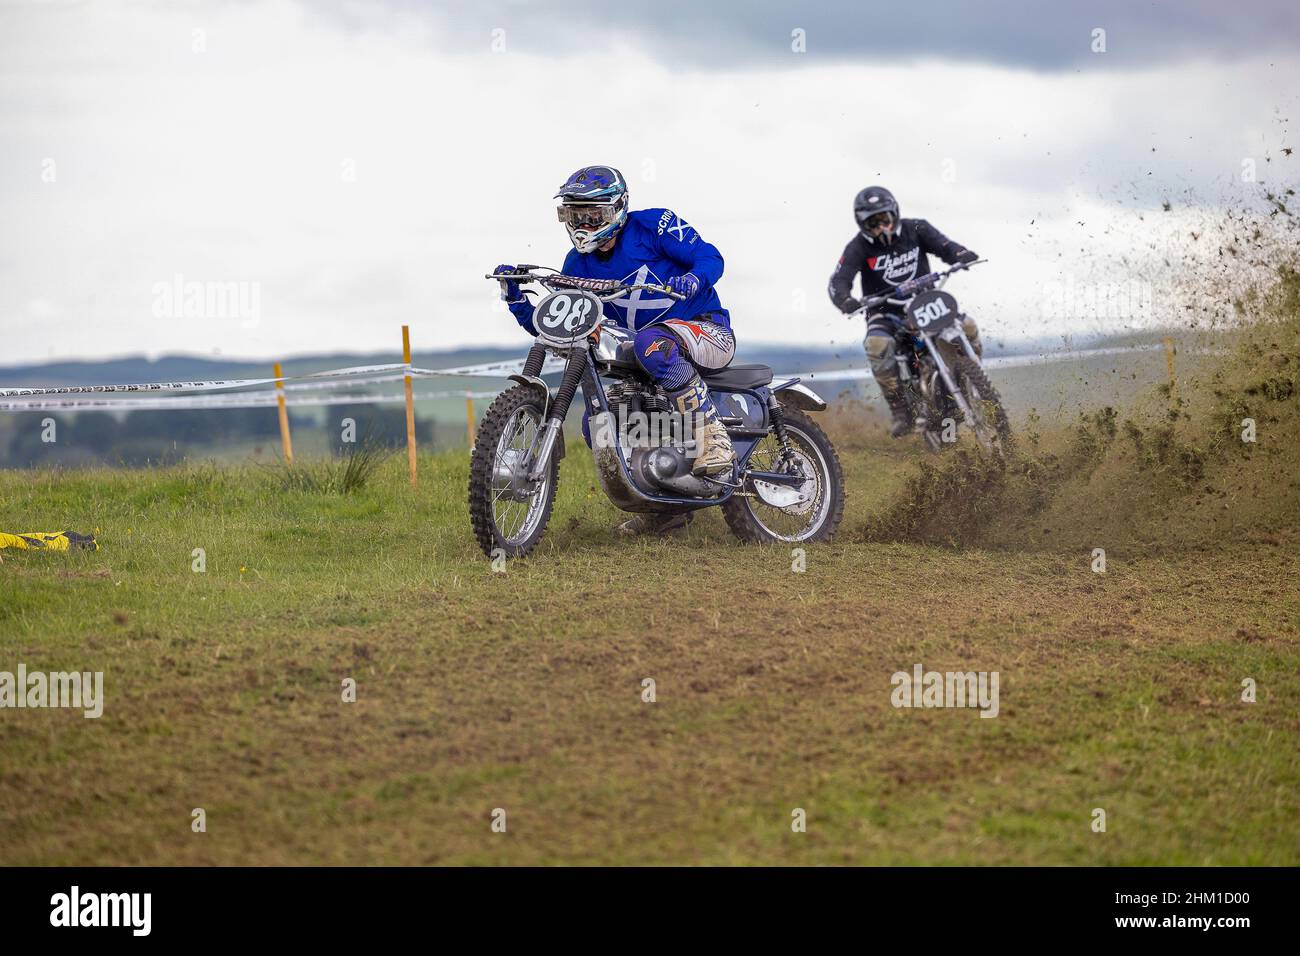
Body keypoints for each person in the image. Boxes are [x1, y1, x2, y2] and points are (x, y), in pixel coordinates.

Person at [495, 165, 737, 535]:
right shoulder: (576, 264)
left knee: (650, 344)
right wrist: (518, 301)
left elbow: (711, 256)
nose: (584, 225)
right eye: (575, 216)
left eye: (593, 216)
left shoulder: (655, 225)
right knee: (600, 420)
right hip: (647, 352)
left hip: (705, 328)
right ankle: (663, 508)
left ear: (618, 208)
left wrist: (692, 278)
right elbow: (562, 325)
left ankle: (713, 440)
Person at [827, 185, 981, 437]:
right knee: (877, 345)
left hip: (926, 303)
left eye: (885, 219)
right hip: (886, 312)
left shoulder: (916, 228)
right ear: (862, 225)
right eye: (873, 224)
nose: (882, 228)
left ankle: (975, 379)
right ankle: (900, 408)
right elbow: (838, 281)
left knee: (968, 326)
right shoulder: (858, 247)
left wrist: (960, 254)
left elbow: (945, 245)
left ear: (894, 213)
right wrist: (845, 300)